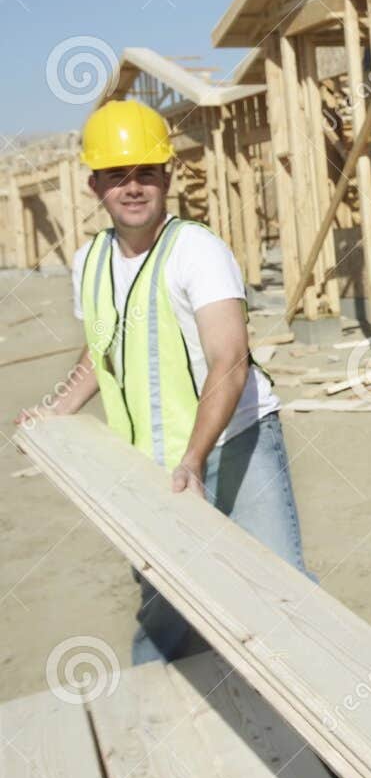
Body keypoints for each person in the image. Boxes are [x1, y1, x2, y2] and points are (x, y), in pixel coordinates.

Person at [17, 98, 311, 664]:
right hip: (150, 461)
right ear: (93, 186)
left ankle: (324, 733)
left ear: (167, 177)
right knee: (166, 606)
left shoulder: (196, 250)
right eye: (116, 176)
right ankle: (160, 728)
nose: (132, 187)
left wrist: (194, 460)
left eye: (145, 173)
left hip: (235, 443)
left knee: (283, 595)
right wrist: (55, 412)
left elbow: (230, 360)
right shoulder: (90, 261)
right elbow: (101, 351)